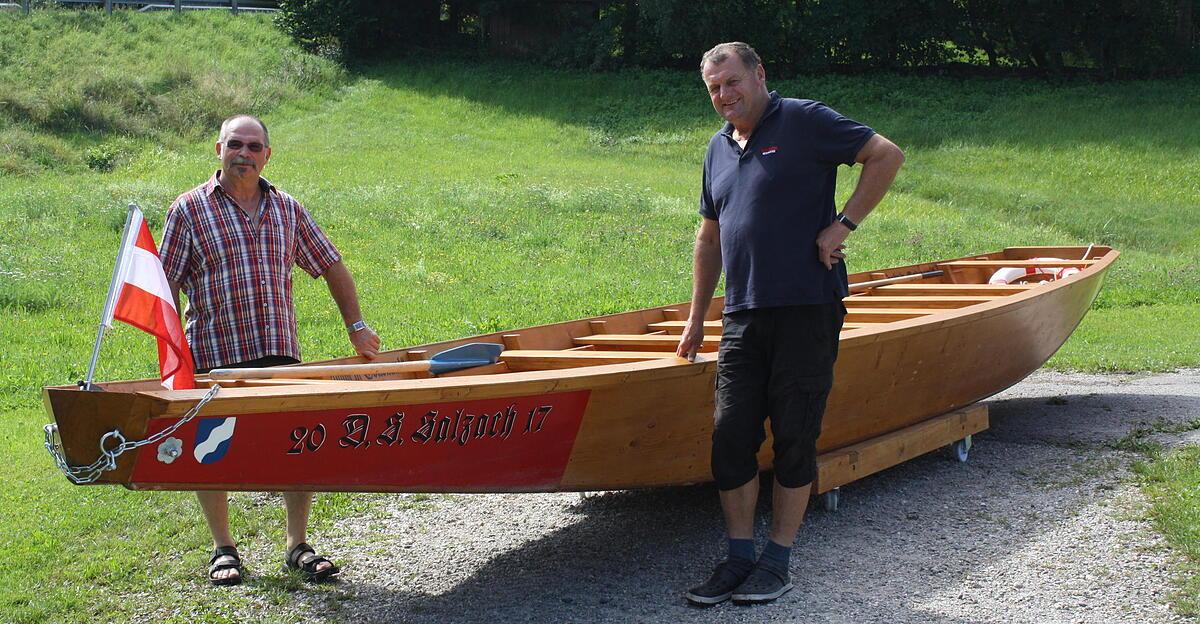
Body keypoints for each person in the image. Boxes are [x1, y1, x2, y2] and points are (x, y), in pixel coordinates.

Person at [677, 42, 904, 606]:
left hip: (807, 309)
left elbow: (887, 155)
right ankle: (738, 558)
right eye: (714, 89)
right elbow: (710, 239)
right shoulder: (717, 150)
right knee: (731, 436)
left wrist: (842, 226)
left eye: (732, 82)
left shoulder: (803, 120)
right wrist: (695, 320)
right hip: (743, 314)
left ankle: (777, 560)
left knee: (795, 435)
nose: (725, 96)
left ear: (759, 74)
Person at [160, 114, 382, 586]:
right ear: (218, 148)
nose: (244, 153)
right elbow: (165, 285)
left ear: (267, 154)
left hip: (280, 352)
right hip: (216, 353)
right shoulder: (188, 210)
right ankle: (224, 549)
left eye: (254, 146)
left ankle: (297, 545)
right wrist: (171, 351)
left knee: (297, 449)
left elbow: (331, 264)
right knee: (211, 451)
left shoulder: (287, 208)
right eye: (235, 144)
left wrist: (357, 327)